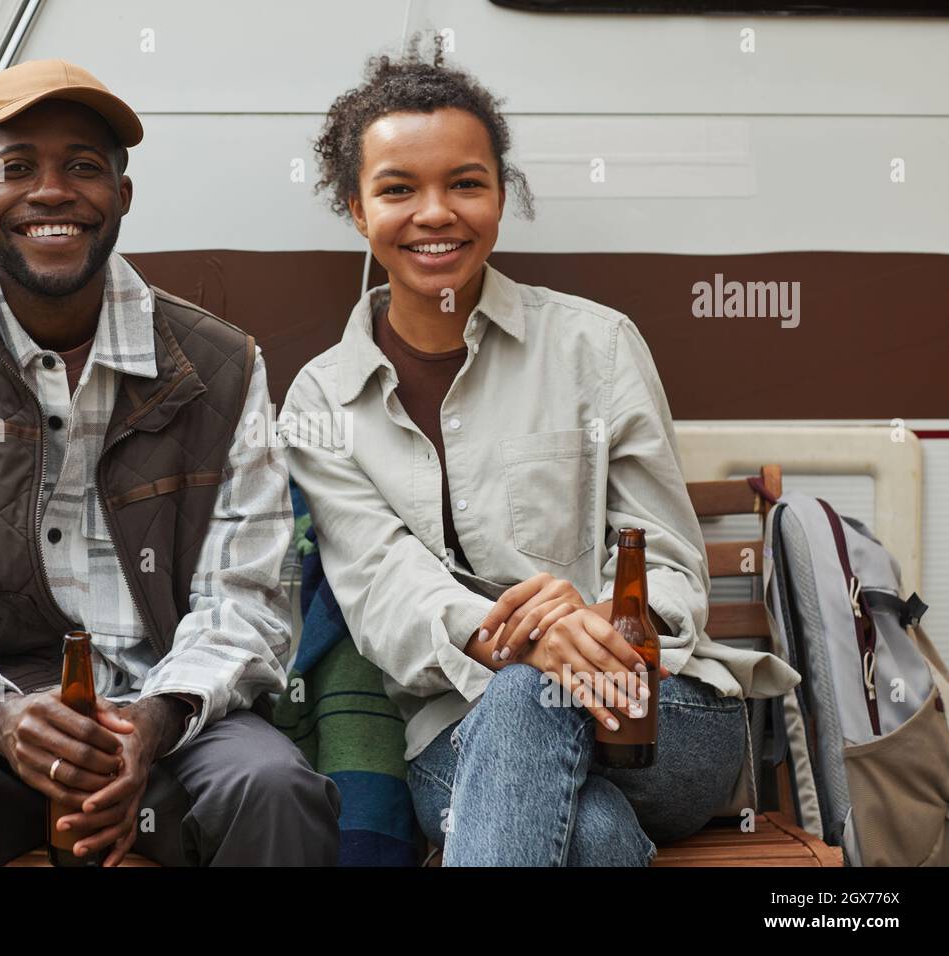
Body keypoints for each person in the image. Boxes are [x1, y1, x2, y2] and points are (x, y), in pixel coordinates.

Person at [0, 59, 340, 866]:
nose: (51, 192)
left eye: (83, 167)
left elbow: (249, 601)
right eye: (16, 167)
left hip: (166, 725)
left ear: (122, 196)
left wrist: (151, 724)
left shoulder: (221, 364)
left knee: (271, 787)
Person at [281, 46, 799, 866]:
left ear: (499, 194)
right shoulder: (321, 400)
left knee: (538, 688)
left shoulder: (596, 345)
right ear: (355, 207)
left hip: (661, 712)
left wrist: (594, 627)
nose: (435, 212)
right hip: (456, 728)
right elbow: (381, 589)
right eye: (397, 189)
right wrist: (513, 640)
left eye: (465, 182)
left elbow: (666, 559)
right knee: (588, 831)